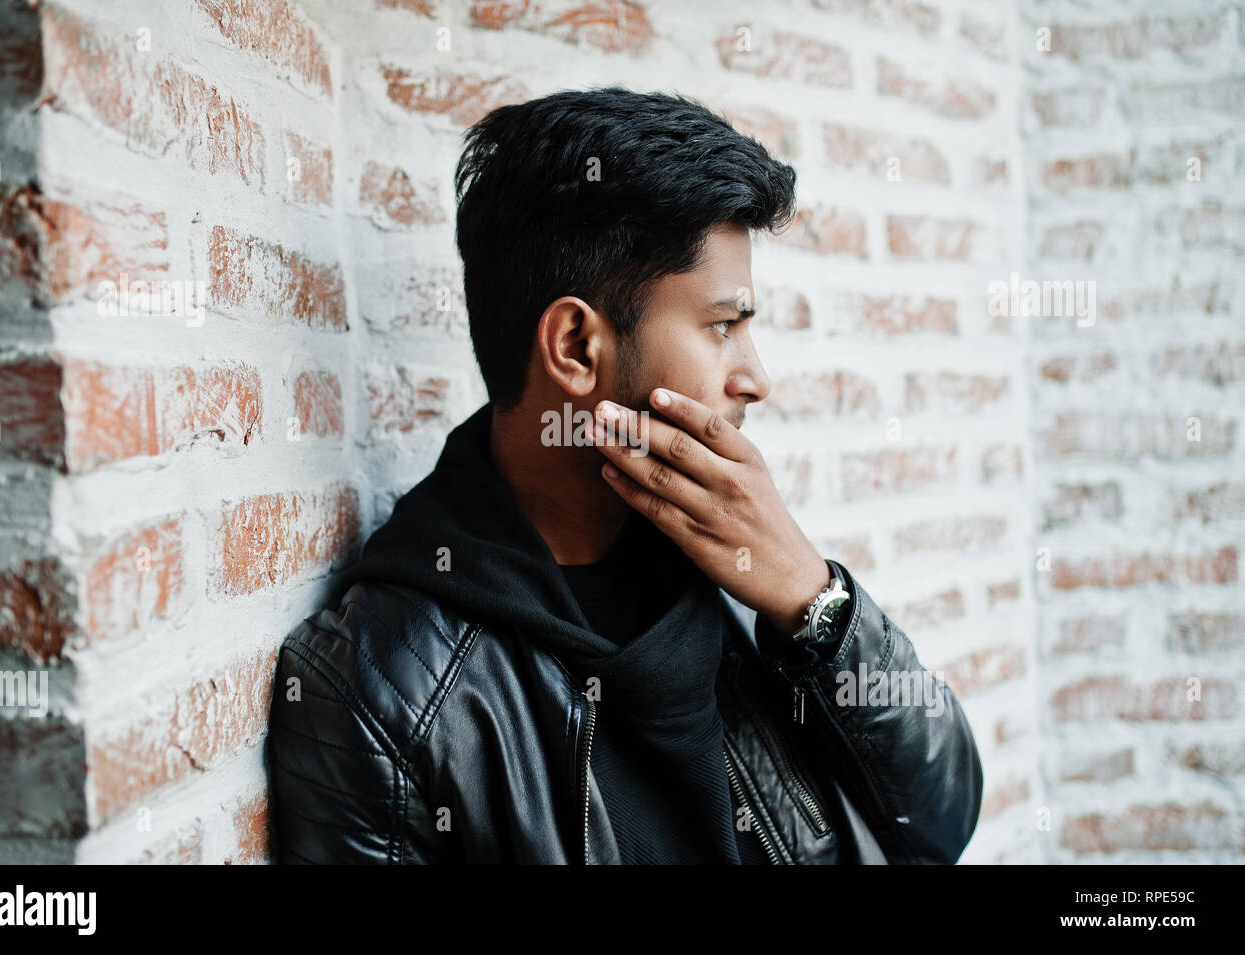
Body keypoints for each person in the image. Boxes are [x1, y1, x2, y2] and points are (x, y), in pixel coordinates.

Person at [268, 86, 982, 864]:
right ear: (575, 346)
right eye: (722, 327)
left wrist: (816, 602)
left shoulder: (741, 562)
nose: (755, 377)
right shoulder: (386, 691)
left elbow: (942, 820)